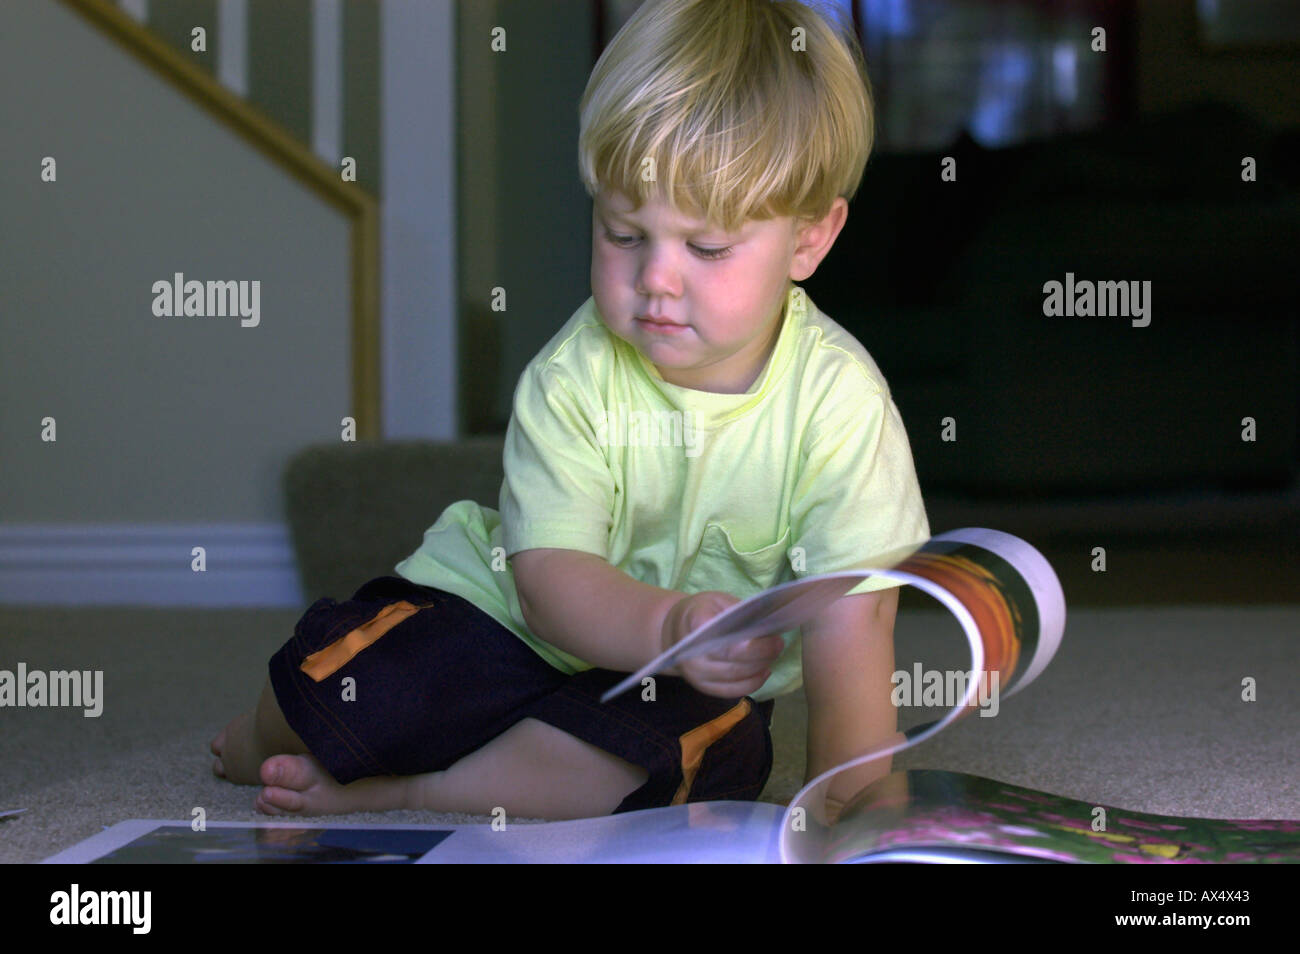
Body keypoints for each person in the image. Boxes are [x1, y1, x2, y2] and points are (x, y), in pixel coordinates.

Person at [211, 0, 929, 823]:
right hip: (506, 626)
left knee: (705, 759)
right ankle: (252, 736)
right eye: (625, 233)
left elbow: (855, 619)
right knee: (363, 685)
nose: (657, 278)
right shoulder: (574, 376)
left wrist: (855, 803)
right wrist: (669, 624)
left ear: (811, 239)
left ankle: (416, 793)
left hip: (675, 689)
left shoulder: (840, 404)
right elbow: (550, 584)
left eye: (705, 248)